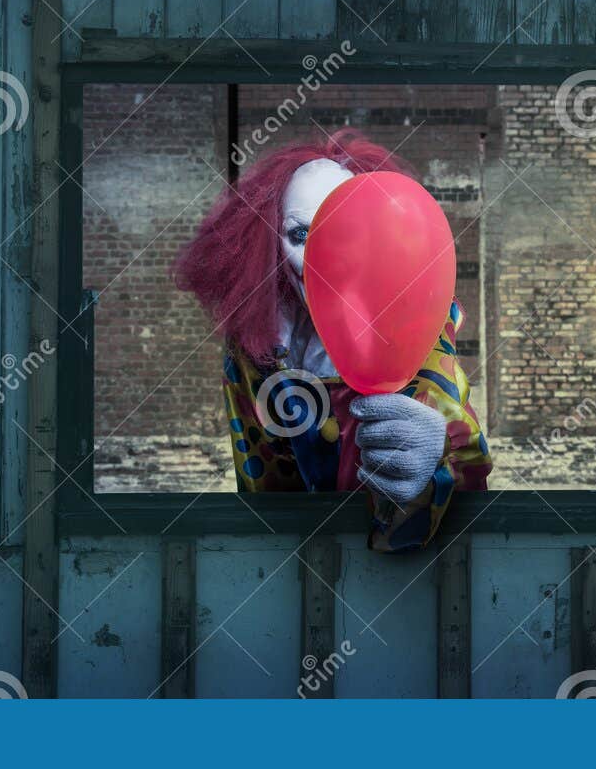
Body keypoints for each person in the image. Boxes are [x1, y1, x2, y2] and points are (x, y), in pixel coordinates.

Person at [173, 129, 491, 550]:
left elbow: (466, 462)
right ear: (268, 242)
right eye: (301, 236)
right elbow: (261, 489)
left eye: (343, 232)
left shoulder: (416, 315)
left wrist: (432, 465)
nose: (322, 260)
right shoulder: (256, 344)